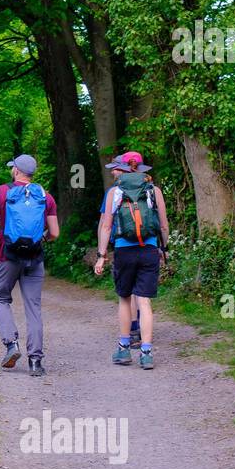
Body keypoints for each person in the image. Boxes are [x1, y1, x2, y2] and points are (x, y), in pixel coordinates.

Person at [0, 154, 60, 377]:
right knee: (33, 307)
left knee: (1, 298)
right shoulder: (45, 197)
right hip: (34, 257)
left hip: (8, 255)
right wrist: (39, 239)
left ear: (15, 171)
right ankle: (35, 361)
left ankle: (11, 345)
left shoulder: (1, 192)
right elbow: (54, 233)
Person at [94, 153, 170, 369]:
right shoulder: (154, 191)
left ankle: (124, 348)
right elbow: (163, 226)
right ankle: (146, 352)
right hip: (149, 250)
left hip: (124, 251)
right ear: (142, 168)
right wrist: (163, 251)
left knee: (125, 299)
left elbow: (107, 226)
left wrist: (101, 256)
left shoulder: (114, 192)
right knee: (144, 301)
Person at [101, 154, 143, 349]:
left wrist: (102, 252)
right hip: (147, 244)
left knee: (127, 293)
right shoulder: (149, 188)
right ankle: (142, 332)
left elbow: (105, 222)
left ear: (125, 169)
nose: (112, 171)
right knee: (141, 293)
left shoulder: (114, 191)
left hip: (123, 245)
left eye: (116, 168)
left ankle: (132, 332)